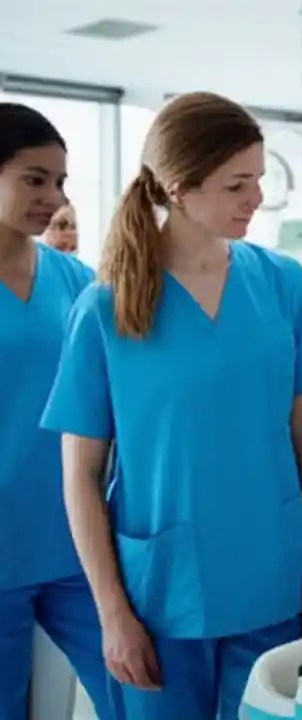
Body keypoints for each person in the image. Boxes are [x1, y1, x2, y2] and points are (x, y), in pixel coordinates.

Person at [40, 92, 302, 719]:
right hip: (160, 590)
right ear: (180, 188)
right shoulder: (106, 308)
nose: (256, 199)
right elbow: (79, 473)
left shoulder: (282, 282)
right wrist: (111, 612)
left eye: (260, 180)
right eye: (238, 184)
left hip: (273, 575)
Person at [0, 103, 116, 720]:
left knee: (133, 690)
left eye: (61, 181)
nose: (53, 196)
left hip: (76, 541)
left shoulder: (78, 282)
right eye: (34, 178)